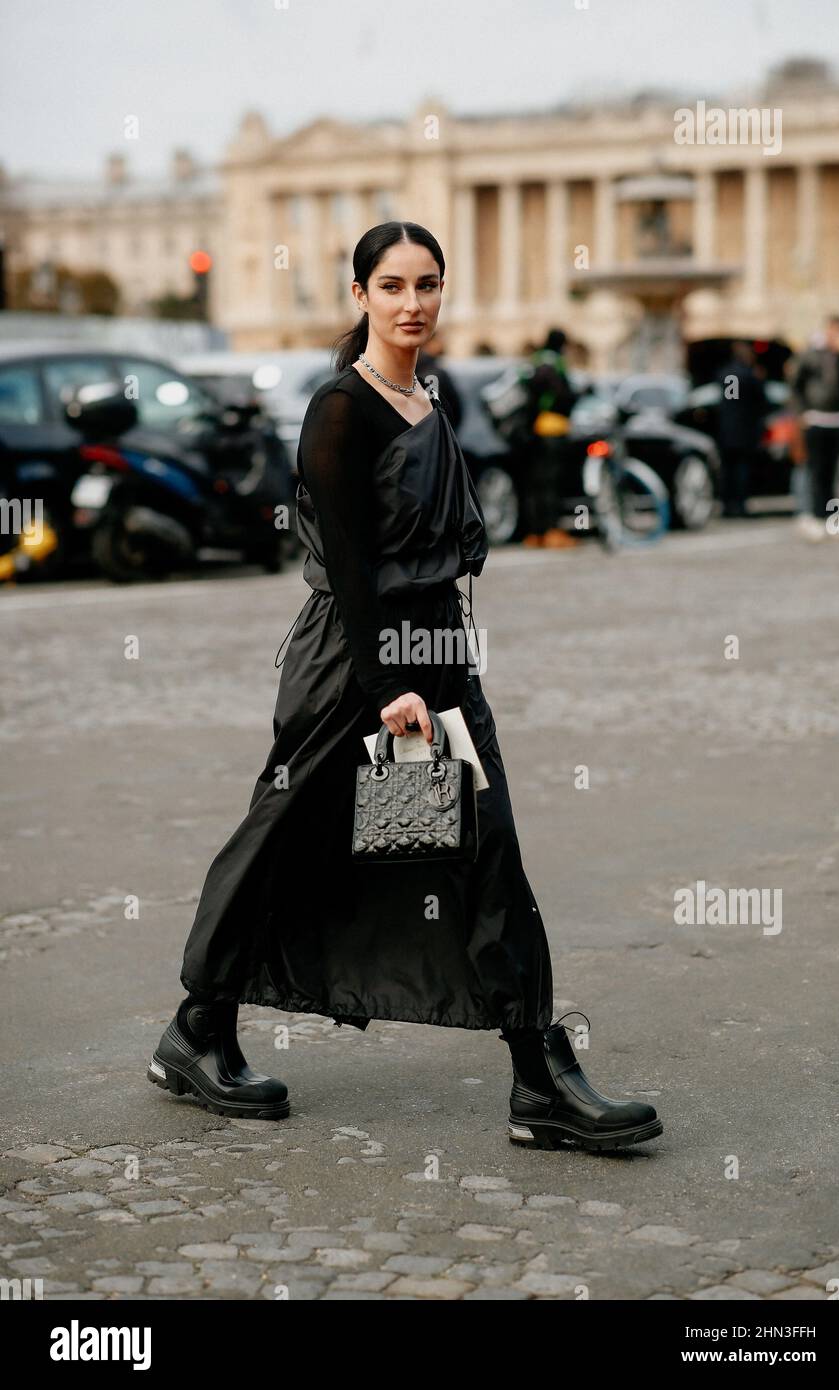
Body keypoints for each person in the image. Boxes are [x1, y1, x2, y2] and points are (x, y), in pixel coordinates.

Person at [147, 221, 662, 1155]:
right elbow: (346, 561)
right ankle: (200, 1028)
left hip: (436, 655)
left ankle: (536, 1073)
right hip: (355, 662)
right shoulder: (339, 409)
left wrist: (439, 664)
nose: (413, 303)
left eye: (428, 284)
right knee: (287, 837)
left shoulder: (426, 396)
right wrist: (390, 683)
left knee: (485, 846)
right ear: (360, 297)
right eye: (392, 286)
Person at [790, 315, 839, 540]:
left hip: (837, 419)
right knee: (815, 470)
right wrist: (801, 413)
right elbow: (796, 384)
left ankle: (828, 517)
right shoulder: (811, 353)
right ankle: (814, 515)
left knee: (833, 471)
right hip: (816, 419)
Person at [520, 328, 579, 548]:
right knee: (552, 483)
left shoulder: (534, 361)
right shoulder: (555, 364)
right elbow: (563, 395)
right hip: (552, 429)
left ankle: (535, 533)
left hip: (532, 429)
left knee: (535, 483)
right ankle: (553, 531)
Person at [714, 341, 766, 518]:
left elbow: (729, 400)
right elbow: (760, 401)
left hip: (727, 429)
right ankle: (739, 504)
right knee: (741, 470)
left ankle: (727, 505)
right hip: (743, 430)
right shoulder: (748, 375)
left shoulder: (727, 374)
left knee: (728, 470)